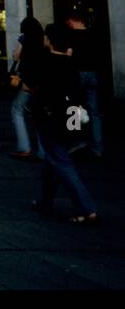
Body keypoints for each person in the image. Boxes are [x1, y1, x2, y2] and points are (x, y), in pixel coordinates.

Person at [23, 17, 98, 223]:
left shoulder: (45, 62)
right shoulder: (70, 64)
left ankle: (86, 208)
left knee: (61, 161)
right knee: (52, 159)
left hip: (49, 118)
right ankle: (45, 201)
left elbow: (31, 86)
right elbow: (77, 93)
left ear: (50, 40)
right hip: (69, 118)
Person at [62, 11, 104, 158]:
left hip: (77, 74)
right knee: (94, 112)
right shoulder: (94, 35)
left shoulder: (72, 36)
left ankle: (77, 139)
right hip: (93, 73)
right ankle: (97, 147)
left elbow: (69, 54)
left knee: (74, 107)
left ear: (74, 21)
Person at [8, 32, 44, 160]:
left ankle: (24, 147)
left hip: (27, 82)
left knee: (17, 109)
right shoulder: (44, 40)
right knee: (40, 114)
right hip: (42, 83)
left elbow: (16, 56)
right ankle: (43, 150)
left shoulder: (24, 39)